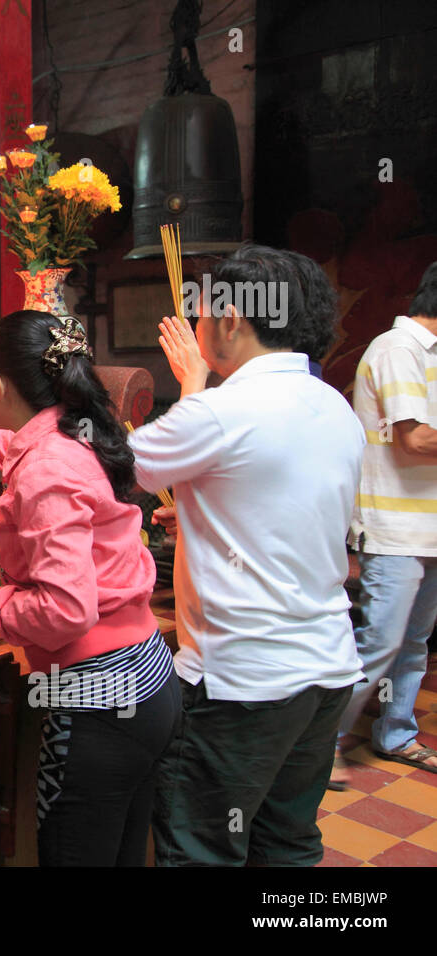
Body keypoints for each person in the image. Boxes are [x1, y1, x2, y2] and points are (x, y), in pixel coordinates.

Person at [0, 311, 177, 866]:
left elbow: (66, 609)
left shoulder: (48, 466)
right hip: (148, 682)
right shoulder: (71, 432)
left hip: (101, 701)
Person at [129, 244, 365, 866]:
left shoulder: (220, 410)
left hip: (244, 685)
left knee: (199, 846)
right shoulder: (333, 405)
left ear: (232, 319)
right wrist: (207, 517)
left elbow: (120, 471)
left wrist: (190, 384)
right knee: (286, 842)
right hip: (325, 672)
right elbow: (286, 506)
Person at [329, 262, 437, 788]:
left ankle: (395, 733)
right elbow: (414, 440)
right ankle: (321, 744)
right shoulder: (399, 350)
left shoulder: (427, 354)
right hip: (394, 528)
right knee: (380, 643)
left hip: (427, 527)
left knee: (414, 642)